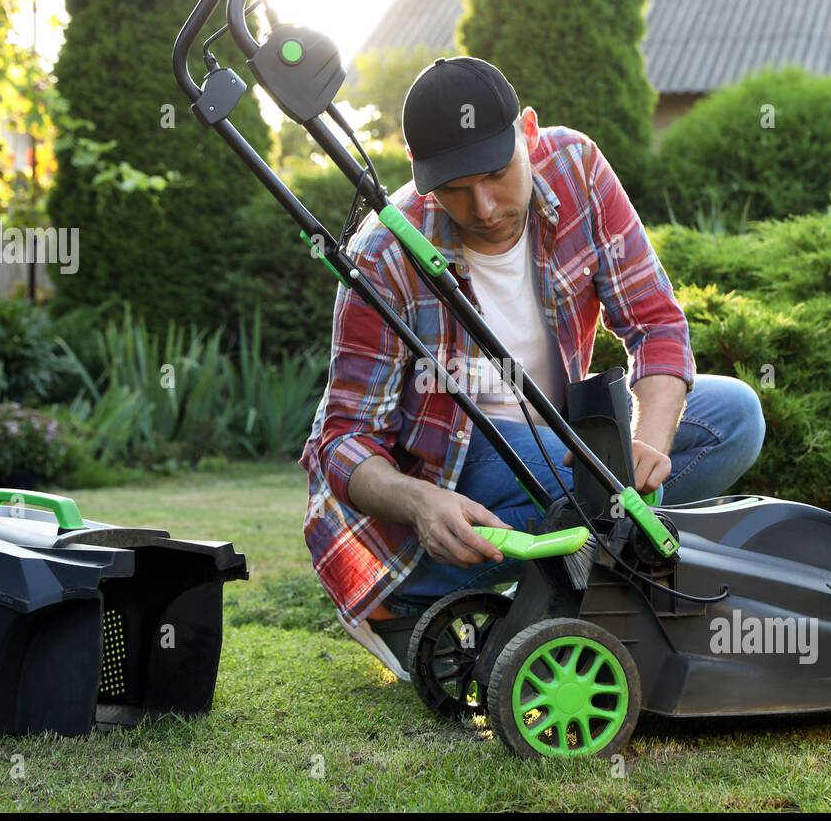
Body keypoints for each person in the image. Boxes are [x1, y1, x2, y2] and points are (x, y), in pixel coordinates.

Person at [297, 56, 765, 678]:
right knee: (578, 473)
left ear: (530, 132)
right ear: (421, 178)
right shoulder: (385, 254)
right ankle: (411, 591)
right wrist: (419, 502)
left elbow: (655, 322)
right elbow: (345, 439)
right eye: (456, 189)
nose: (485, 207)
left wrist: (647, 440)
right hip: (450, 463)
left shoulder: (579, 170)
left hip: (558, 433)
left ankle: (547, 578)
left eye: (496, 174)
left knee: (734, 416)